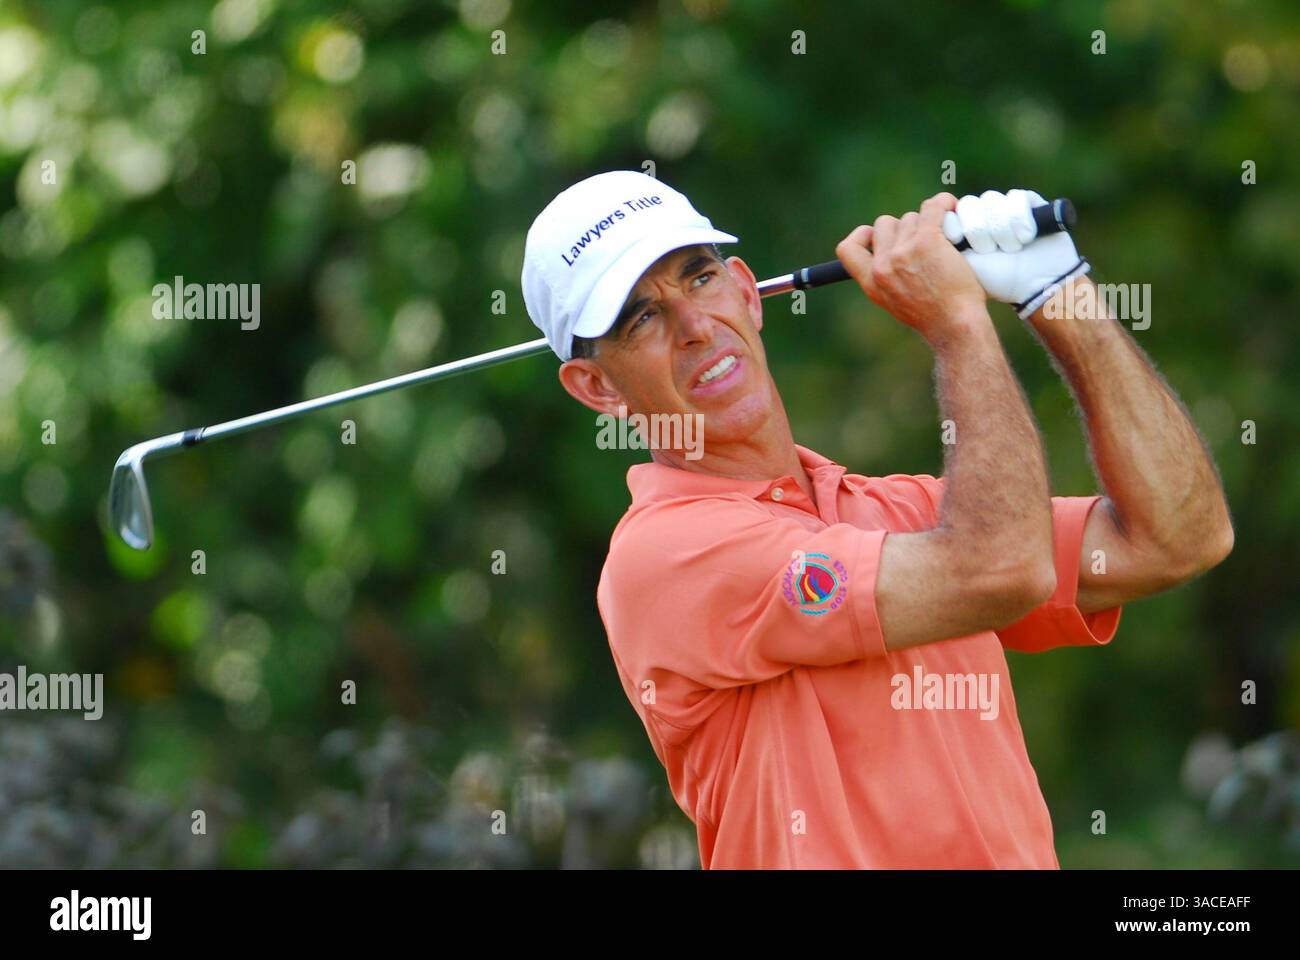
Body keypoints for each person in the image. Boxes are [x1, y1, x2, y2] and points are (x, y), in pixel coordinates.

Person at [520, 170, 1234, 869]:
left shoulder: (902, 511)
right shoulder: (664, 557)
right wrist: (958, 325)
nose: (695, 327)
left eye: (699, 278)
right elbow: (999, 569)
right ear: (596, 386)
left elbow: (1177, 538)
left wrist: (1060, 294)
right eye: (642, 318)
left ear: (748, 291)